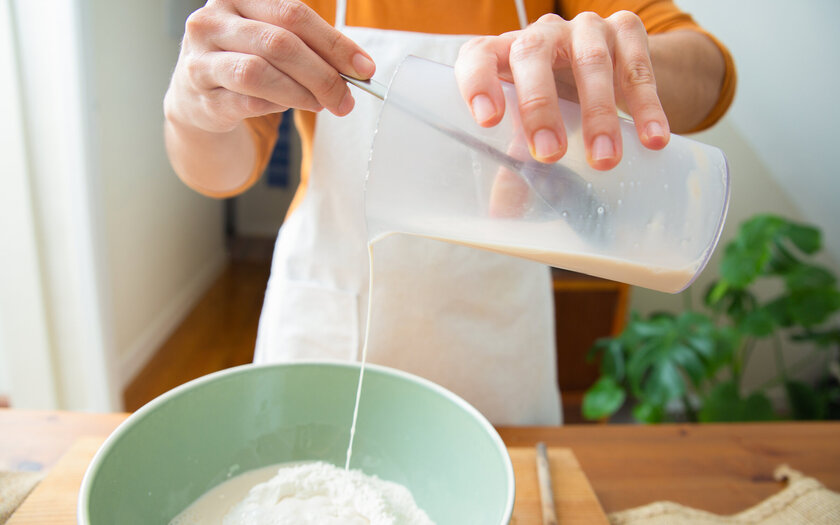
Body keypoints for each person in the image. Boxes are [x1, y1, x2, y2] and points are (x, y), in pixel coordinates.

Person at [164, 0, 735, 425]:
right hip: (332, 307)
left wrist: (604, 64)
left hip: (494, 330)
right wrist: (194, 109)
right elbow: (222, 172)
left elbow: (708, 73)